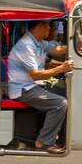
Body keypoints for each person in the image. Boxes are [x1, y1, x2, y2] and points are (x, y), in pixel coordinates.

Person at [7, 19, 73, 154]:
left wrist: (78, 44)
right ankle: (44, 142)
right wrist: (61, 68)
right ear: (40, 26)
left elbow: (58, 50)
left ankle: (57, 137)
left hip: (33, 86)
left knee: (64, 94)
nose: (50, 28)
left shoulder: (38, 43)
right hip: (24, 89)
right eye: (48, 25)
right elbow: (36, 75)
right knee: (60, 103)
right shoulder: (26, 45)